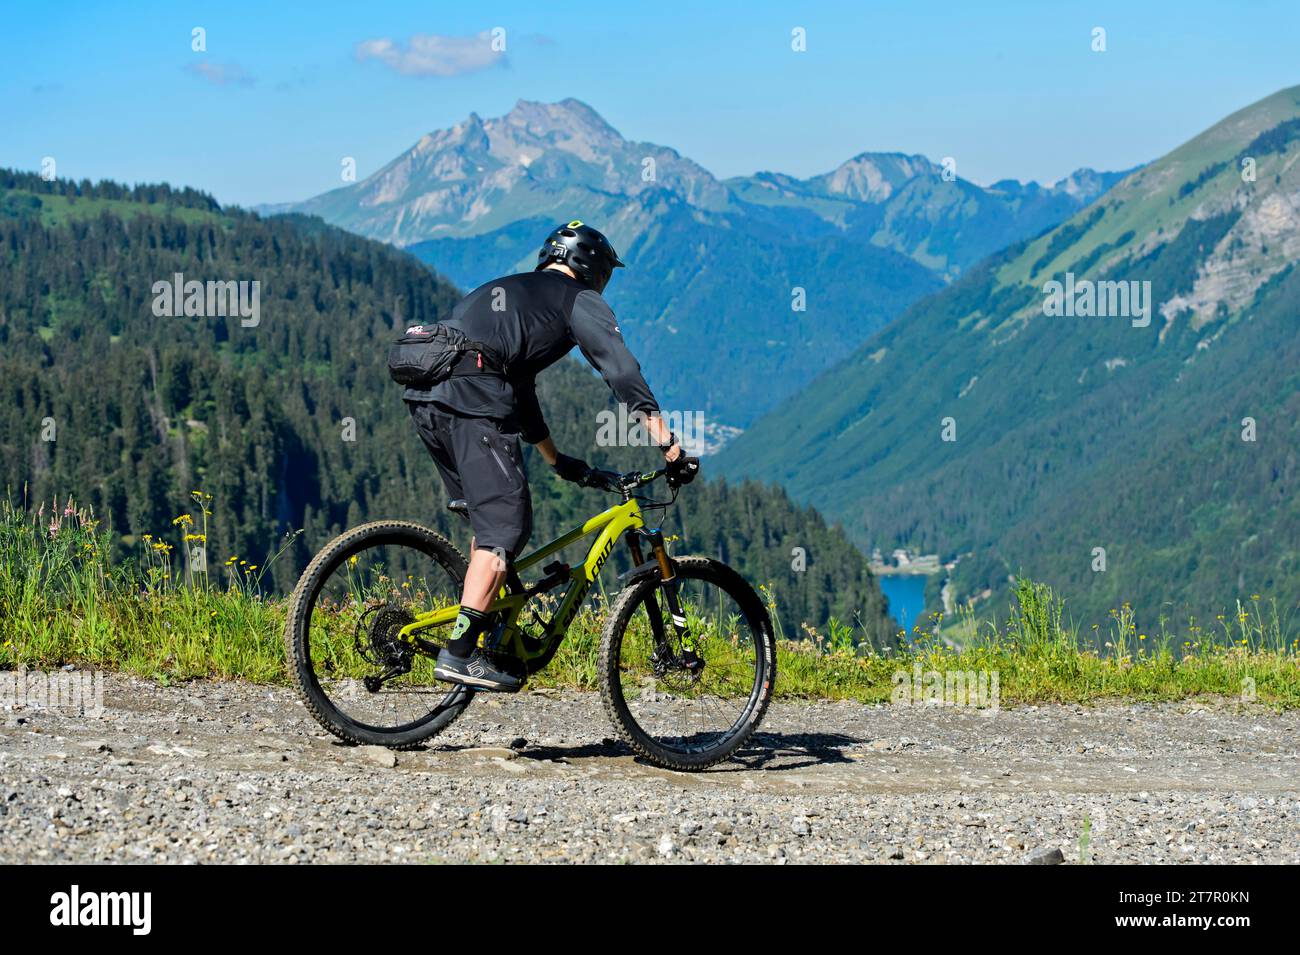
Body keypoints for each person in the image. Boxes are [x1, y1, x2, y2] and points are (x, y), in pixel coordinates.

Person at [403, 221, 698, 691]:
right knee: (504, 529)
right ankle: (459, 653)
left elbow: (519, 389)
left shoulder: (512, 290)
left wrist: (556, 459)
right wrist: (669, 444)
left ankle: (484, 635)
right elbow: (620, 370)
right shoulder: (578, 298)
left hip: (429, 397)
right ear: (594, 267)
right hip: (471, 397)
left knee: (491, 529)